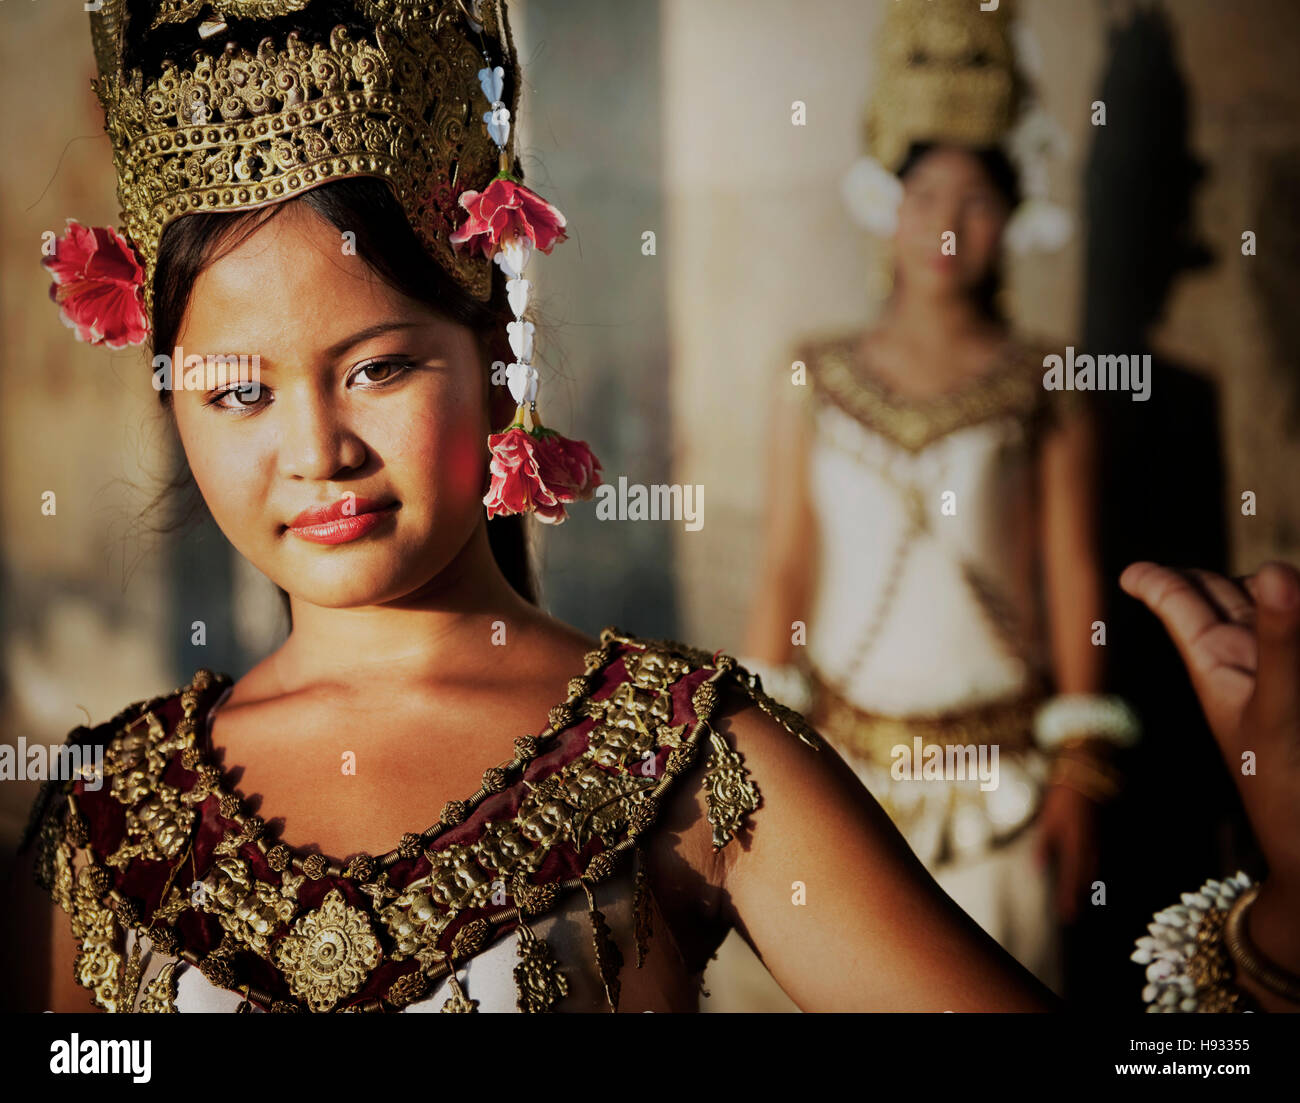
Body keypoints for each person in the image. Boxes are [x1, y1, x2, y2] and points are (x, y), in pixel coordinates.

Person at [8, 0, 1298, 1015]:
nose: (318, 450)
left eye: (380, 366)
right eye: (238, 392)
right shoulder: (111, 814)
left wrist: (1287, 928)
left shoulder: (691, 760)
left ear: (498, 355)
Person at [740, 0, 1131, 993]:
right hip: (840, 767)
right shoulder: (813, 373)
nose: (948, 227)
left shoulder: (1049, 381)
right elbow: (784, 561)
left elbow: (1075, 569)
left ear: (1015, 217)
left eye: (977, 202)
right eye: (925, 196)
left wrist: (1080, 767)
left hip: (1000, 776)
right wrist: (751, 758)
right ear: (888, 205)